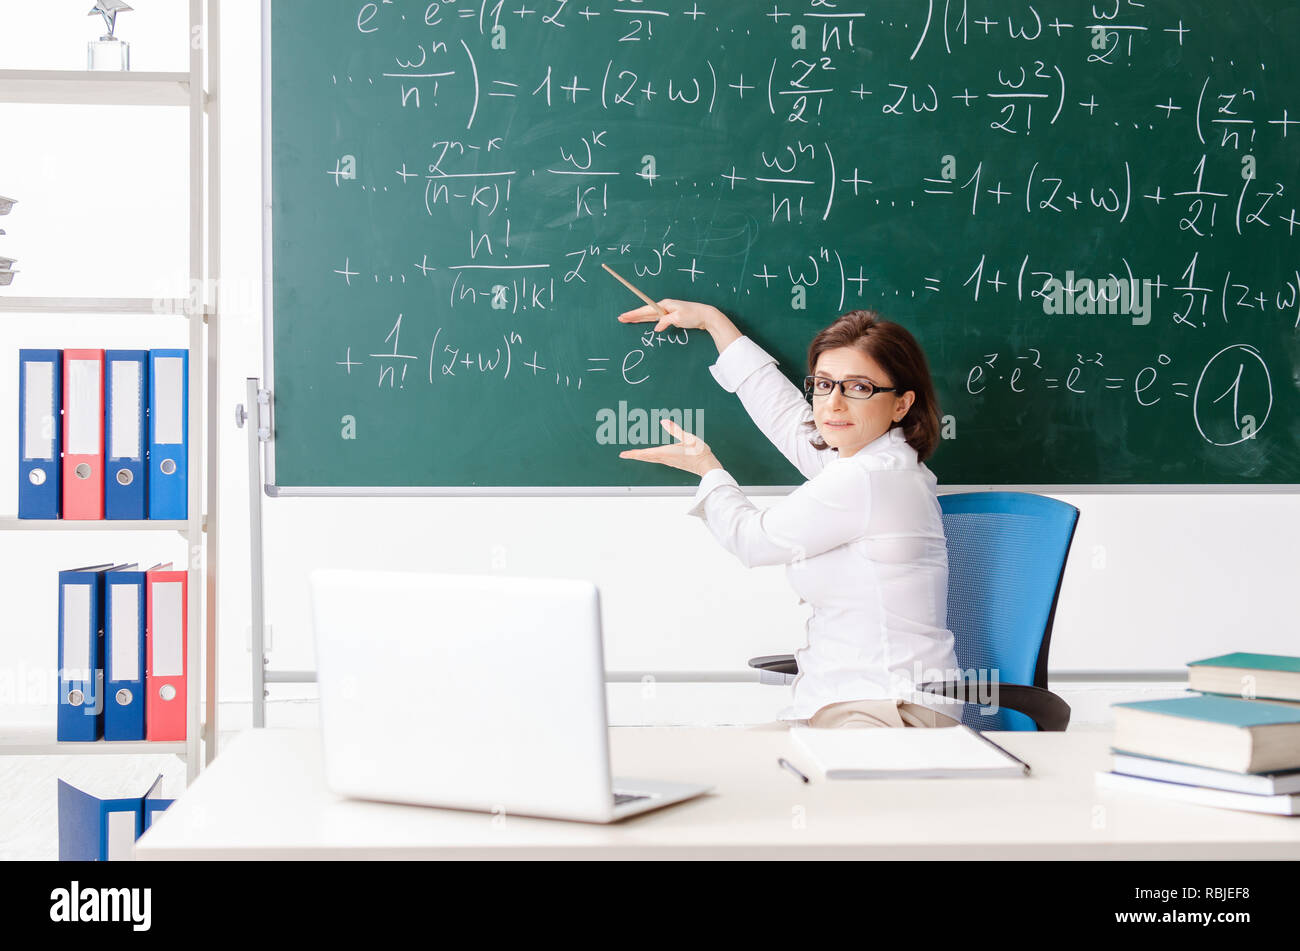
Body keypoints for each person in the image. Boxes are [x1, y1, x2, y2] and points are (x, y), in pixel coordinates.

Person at [616, 300, 962, 729]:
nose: (833, 404)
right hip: (849, 704)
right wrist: (712, 323)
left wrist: (707, 468)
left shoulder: (868, 479)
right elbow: (784, 417)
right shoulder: (874, 463)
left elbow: (751, 540)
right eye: (822, 384)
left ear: (901, 404)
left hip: (890, 714)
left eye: (858, 388)